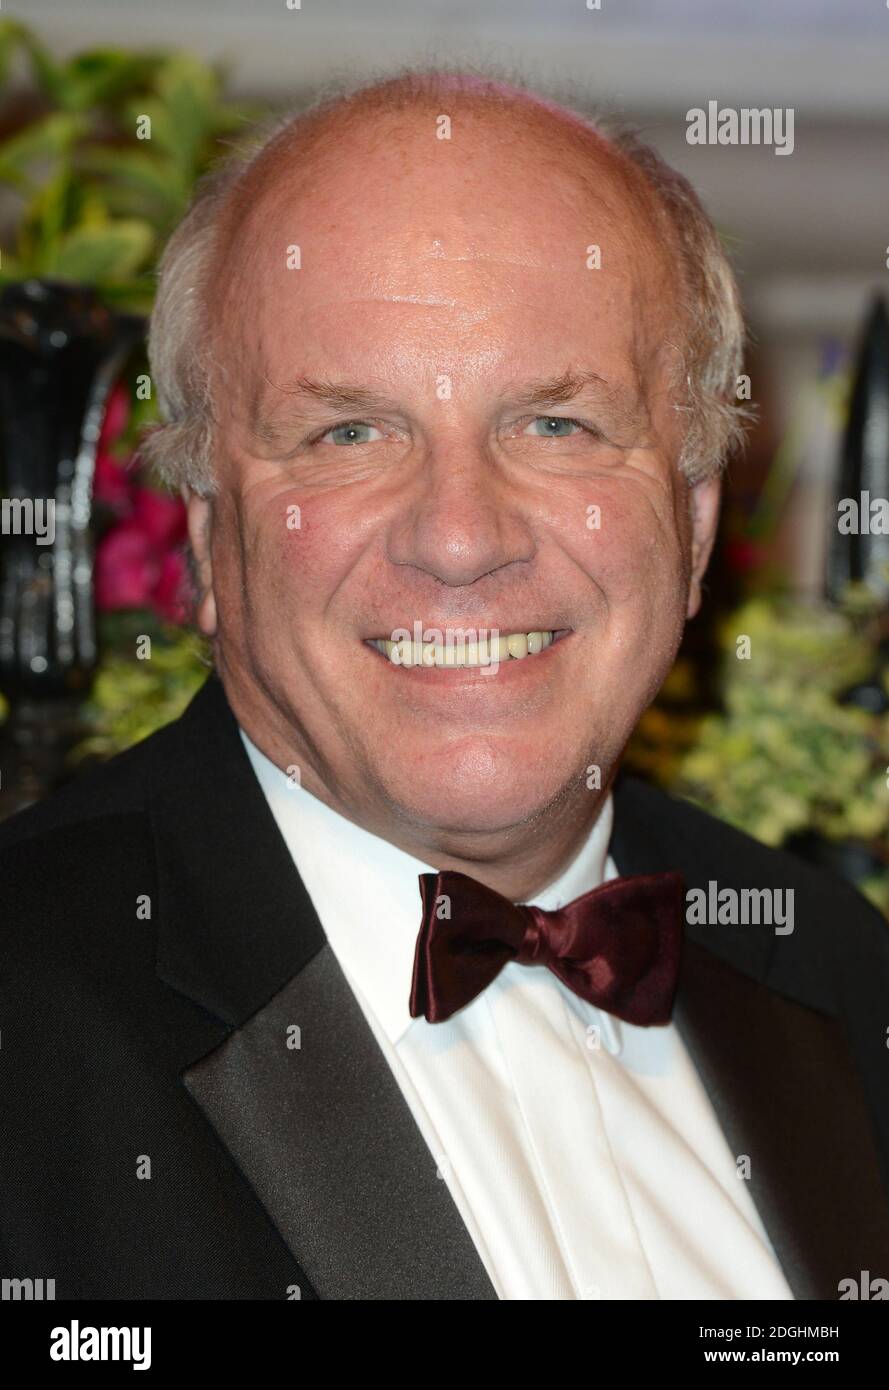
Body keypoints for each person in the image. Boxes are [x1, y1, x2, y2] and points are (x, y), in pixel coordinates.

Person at [2, 71, 888, 1302]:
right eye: (349, 433)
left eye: (556, 425)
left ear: (690, 529)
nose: (461, 536)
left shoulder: (837, 972)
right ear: (206, 536)